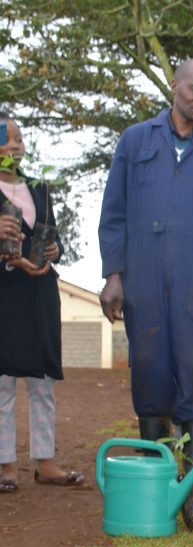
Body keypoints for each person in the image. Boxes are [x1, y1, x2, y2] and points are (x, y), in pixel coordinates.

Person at [97, 58, 193, 530]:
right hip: (142, 278)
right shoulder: (135, 141)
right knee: (150, 376)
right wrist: (113, 273)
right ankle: (159, 479)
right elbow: (115, 210)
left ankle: (192, 487)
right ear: (175, 86)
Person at [0, 112, 85, 493]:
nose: (15, 145)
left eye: (19, 139)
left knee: (42, 381)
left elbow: (56, 240)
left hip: (39, 293)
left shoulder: (40, 187)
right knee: (2, 383)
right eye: (7, 139)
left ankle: (45, 462)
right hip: (5, 294)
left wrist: (54, 249)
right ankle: (5, 466)